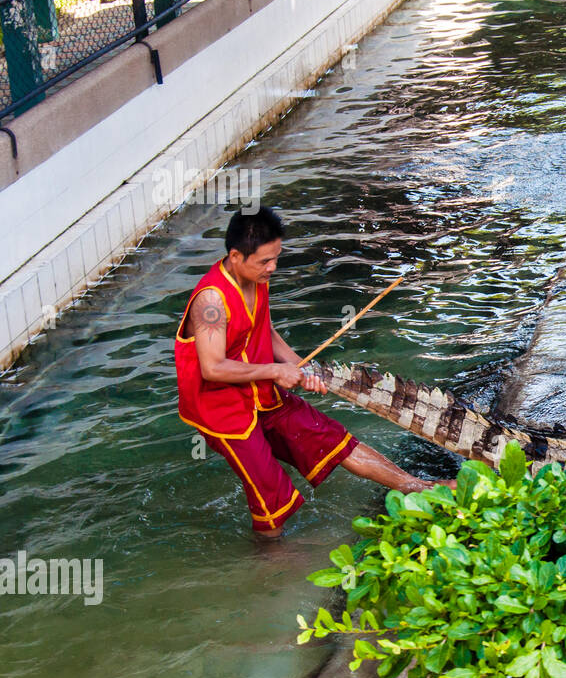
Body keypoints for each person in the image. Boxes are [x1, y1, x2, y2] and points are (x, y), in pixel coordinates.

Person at [174, 206, 445, 538]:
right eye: (264, 261)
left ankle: (417, 486)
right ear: (235, 256)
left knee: (329, 436)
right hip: (221, 410)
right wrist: (275, 371)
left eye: (275, 258)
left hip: (261, 392)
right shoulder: (211, 302)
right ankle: (274, 567)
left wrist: (303, 368)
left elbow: (266, 332)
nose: (272, 268)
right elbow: (212, 367)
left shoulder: (256, 279)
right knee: (270, 495)